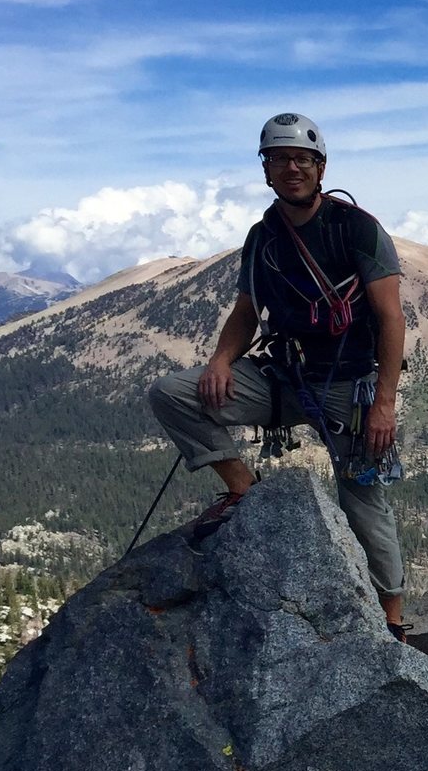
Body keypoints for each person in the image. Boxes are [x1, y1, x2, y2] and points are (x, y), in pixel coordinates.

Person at [148, 113, 410, 637]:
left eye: (302, 159)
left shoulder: (356, 229)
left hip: (348, 385)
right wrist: (222, 360)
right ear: (266, 169)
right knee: (172, 393)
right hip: (285, 377)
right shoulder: (263, 238)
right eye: (280, 159)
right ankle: (246, 490)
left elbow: (390, 317)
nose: (292, 168)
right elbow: (247, 311)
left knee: (362, 497)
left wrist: (383, 403)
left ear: (320, 168)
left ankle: (392, 617)